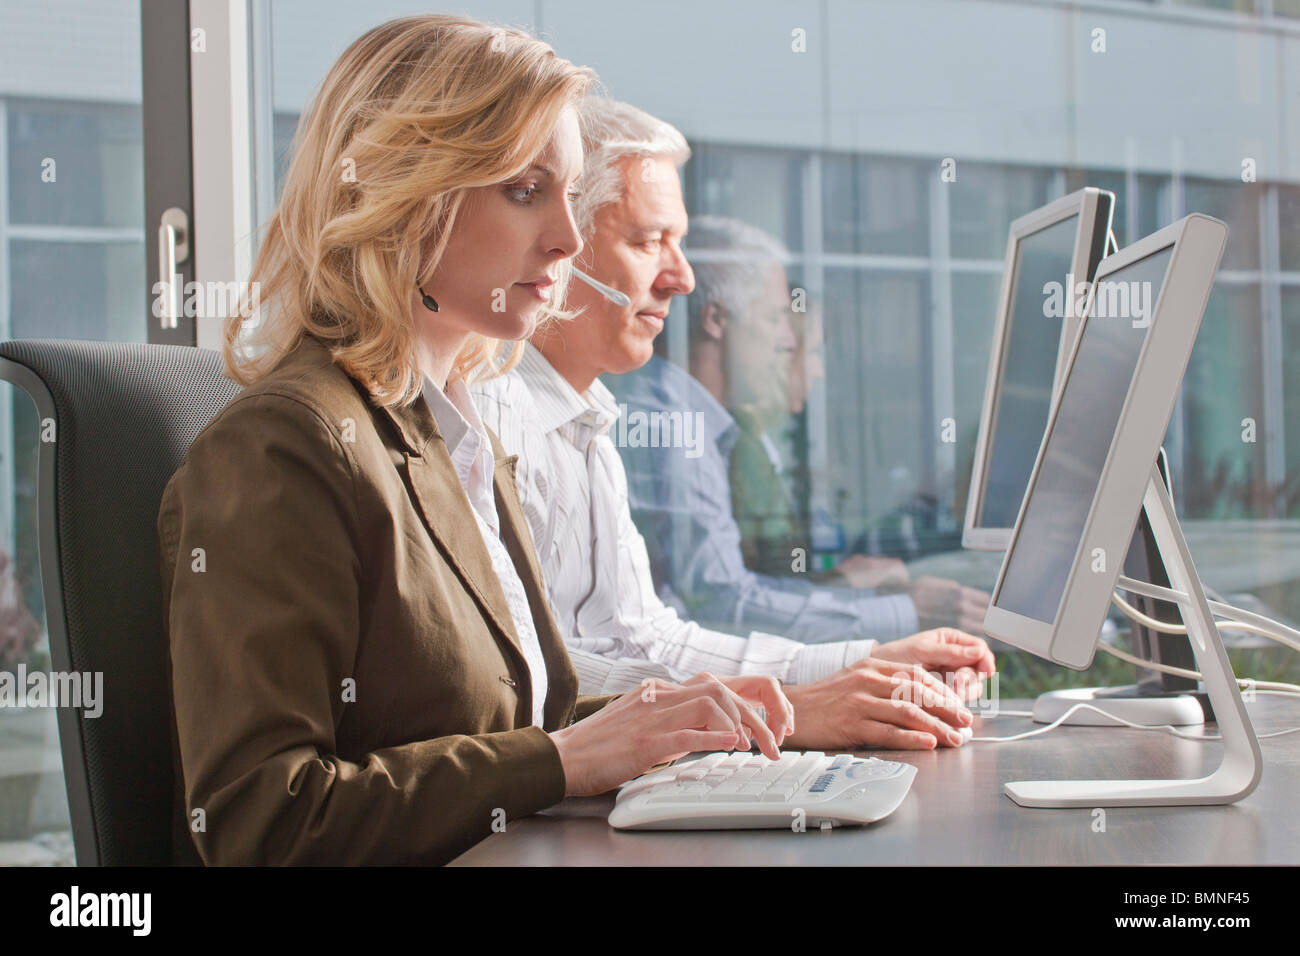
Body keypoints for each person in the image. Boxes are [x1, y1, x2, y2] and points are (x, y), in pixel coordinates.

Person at [156, 16, 792, 867]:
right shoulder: (285, 447)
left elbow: (501, 727)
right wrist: (566, 759)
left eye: (568, 194)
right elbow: (259, 820)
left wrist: (665, 722)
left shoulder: (455, 428)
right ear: (405, 192)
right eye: (526, 190)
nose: (568, 238)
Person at [473, 97, 993, 753]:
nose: (683, 279)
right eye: (646, 241)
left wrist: (862, 663)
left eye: (678, 243)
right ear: (561, 249)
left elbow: (644, 638)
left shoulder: (588, 422)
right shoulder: (493, 420)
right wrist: (794, 708)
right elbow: (536, 683)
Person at [611, 215, 991, 637]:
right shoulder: (671, 429)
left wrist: (869, 597)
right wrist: (904, 613)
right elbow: (721, 604)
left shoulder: (698, 425)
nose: (788, 342)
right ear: (716, 320)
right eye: (775, 319)